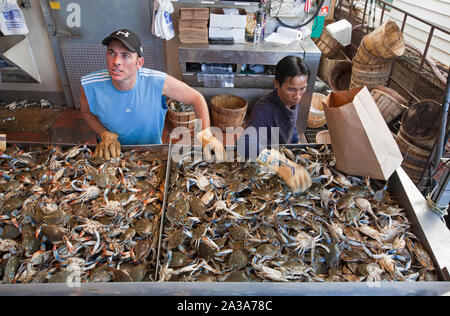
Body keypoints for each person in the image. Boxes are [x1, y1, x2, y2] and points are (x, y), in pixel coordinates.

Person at [80, 29, 224, 160]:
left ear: (139, 62)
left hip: (151, 152)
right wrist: (104, 133)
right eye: (112, 53)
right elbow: (86, 113)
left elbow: (196, 98)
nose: (117, 61)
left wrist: (205, 134)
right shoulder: (90, 85)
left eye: (126, 55)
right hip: (111, 152)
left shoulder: (157, 82)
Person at [237, 55, 312, 193]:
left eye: (302, 88)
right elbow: (245, 142)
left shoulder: (293, 102)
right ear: (276, 83)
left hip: (284, 160)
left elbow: (291, 126)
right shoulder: (264, 109)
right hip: (264, 169)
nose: (298, 95)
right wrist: (279, 163)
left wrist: (295, 146)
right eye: (291, 89)